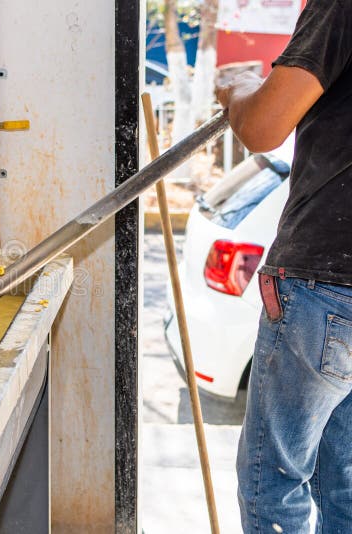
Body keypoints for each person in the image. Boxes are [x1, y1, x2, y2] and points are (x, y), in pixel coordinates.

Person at [216, 1, 352, 532]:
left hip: (326, 281)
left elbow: (265, 126)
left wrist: (236, 92)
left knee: (272, 484)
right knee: (343, 483)